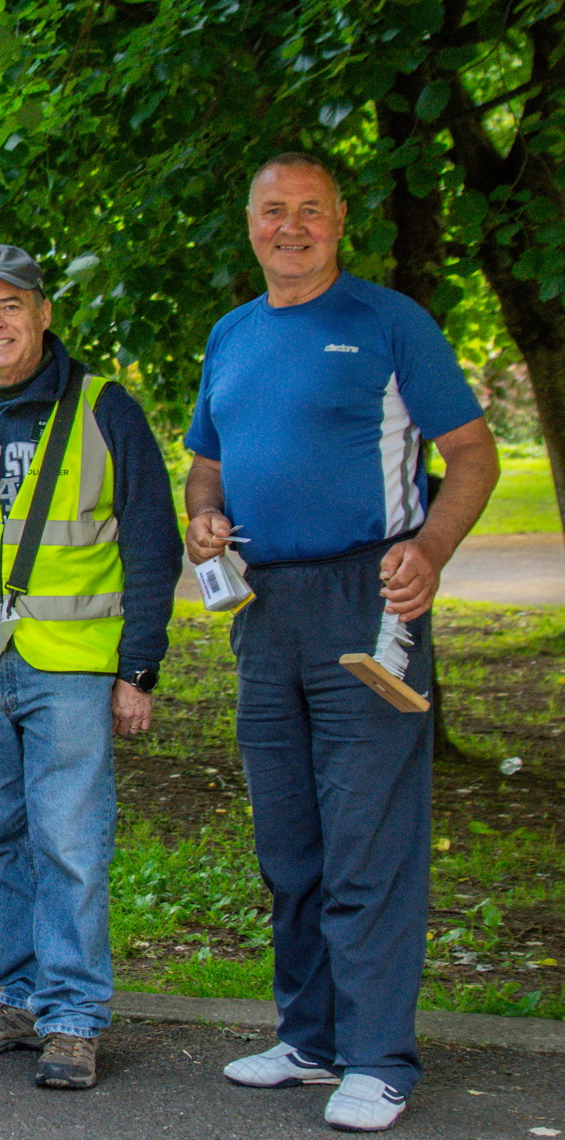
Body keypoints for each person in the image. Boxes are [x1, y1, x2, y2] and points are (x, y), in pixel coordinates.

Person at [188, 154, 497, 1133]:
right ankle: (308, 1038)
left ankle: (377, 1059)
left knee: (369, 836)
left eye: (307, 211)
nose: (289, 227)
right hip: (262, 613)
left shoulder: (388, 322)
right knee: (288, 838)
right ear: (247, 225)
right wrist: (202, 518)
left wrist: (431, 550)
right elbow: (205, 467)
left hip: (370, 600)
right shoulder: (229, 335)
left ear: (338, 221)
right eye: (271, 212)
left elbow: (472, 455)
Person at [0, 243, 181, 1090]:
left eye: (10, 305)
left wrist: (140, 667)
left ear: (44, 312)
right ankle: (23, 996)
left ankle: (74, 1016)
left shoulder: (105, 408)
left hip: (73, 665)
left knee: (70, 842)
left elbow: (152, 542)